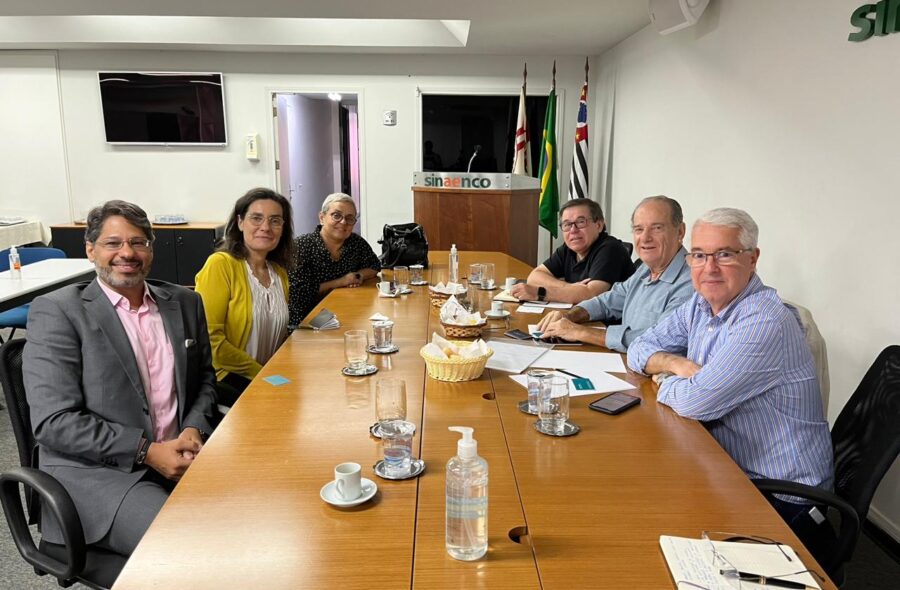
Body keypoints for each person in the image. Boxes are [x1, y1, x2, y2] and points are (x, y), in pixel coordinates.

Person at [626, 207, 833, 553]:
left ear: (752, 259)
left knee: (650, 529)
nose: (709, 268)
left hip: (781, 498)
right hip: (729, 467)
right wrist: (673, 363)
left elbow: (696, 402)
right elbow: (639, 347)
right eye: (699, 255)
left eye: (724, 254)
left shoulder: (765, 322)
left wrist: (664, 380)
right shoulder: (701, 304)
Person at [22, 200, 217, 556]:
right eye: (113, 243)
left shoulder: (185, 302)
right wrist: (147, 451)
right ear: (90, 250)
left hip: (186, 453)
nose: (127, 253)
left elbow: (204, 379)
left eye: (138, 242)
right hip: (100, 475)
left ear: (151, 249)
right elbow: (54, 422)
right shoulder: (59, 312)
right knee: (187, 547)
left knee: (260, 514)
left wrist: (193, 428)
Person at [536, 196, 692, 352]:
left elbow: (658, 341)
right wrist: (569, 317)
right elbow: (607, 302)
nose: (645, 238)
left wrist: (579, 332)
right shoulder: (646, 269)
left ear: (680, 232)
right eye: (639, 229)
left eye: (657, 228)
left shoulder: (691, 283)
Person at [195, 188, 293, 405]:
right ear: (240, 222)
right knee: (286, 404)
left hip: (266, 373)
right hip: (225, 377)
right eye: (256, 218)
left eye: (275, 220)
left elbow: (280, 334)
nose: (265, 227)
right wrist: (264, 373)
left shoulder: (279, 273)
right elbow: (212, 342)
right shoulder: (221, 265)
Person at [508, 198, 633, 304]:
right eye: (567, 224)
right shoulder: (569, 248)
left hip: (608, 325)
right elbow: (535, 276)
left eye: (580, 222)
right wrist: (569, 288)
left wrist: (539, 292)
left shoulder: (610, 249)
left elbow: (591, 295)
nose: (573, 230)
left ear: (599, 225)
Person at [288, 192, 380, 325]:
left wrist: (358, 276)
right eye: (336, 216)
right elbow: (299, 292)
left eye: (349, 218)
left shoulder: (355, 242)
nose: (343, 222)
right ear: (322, 217)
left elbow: (374, 266)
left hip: (345, 313)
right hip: (307, 319)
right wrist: (342, 281)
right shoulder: (301, 246)